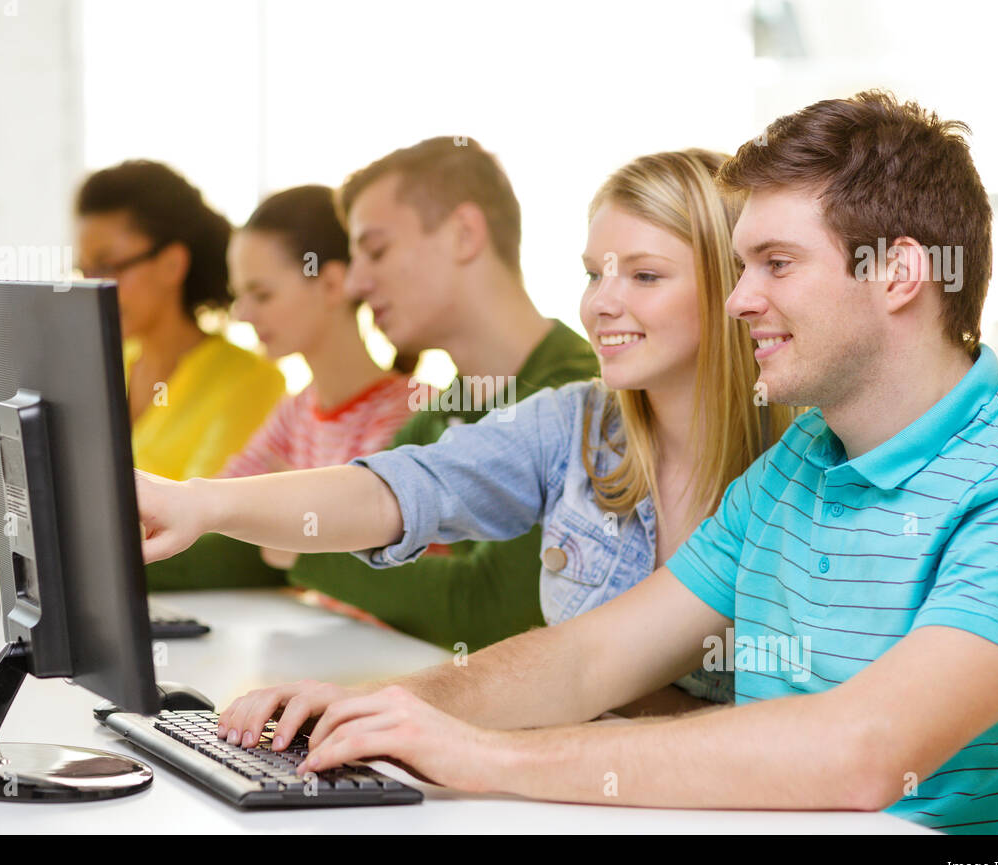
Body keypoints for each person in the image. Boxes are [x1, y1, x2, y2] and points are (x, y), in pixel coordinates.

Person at [150, 92, 998, 834]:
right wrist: (386, 709)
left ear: (899, 273)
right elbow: (588, 656)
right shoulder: (801, 467)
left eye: (776, 265)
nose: (742, 302)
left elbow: (864, 751)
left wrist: (490, 756)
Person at [134, 148, 797, 711]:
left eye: (645, 274)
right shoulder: (576, 421)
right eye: (594, 274)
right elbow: (400, 489)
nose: (601, 301)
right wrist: (199, 502)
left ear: (731, 288)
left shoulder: (804, 464)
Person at [154, 137, 600, 641]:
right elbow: (317, 531)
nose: (357, 283)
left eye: (377, 250)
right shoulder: (438, 416)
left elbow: (492, 607)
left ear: (463, 233)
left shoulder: (579, 397)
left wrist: (303, 547)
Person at [0, 160, 284, 582]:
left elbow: (197, 526)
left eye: (108, 266)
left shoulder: (249, 382)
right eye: (84, 269)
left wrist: (46, 550)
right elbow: (50, 479)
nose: (91, 285)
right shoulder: (104, 365)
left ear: (172, 264)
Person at [144, 185, 418, 593]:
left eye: (263, 294)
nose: (243, 313)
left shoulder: (407, 412)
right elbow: (215, 508)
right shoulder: (295, 411)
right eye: (240, 296)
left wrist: (287, 529)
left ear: (330, 285)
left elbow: (361, 561)